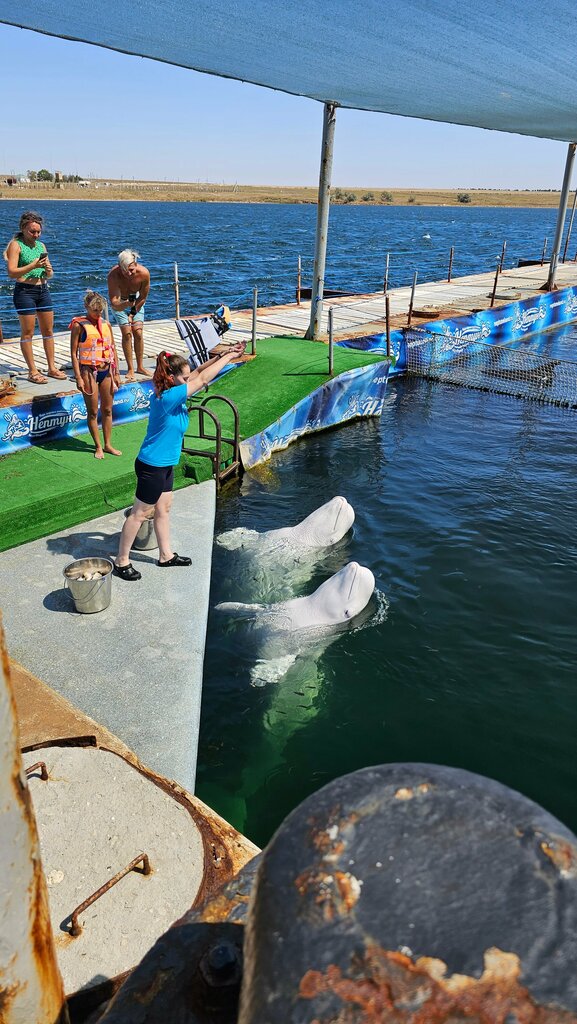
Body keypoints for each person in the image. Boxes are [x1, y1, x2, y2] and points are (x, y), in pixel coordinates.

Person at [114, 342, 246, 581]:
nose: (188, 380)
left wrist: (225, 353)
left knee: (163, 509)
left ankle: (166, 555)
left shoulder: (173, 389)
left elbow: (198, 372)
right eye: (184, 378)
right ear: (171, 378)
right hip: (152, 466)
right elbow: (202, 378)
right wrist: (231, 358)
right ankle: (121, 561)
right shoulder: (169, 397)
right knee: (139, 514)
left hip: (165, 465)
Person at [4, 211, 66, 384]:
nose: (36, 235)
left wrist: (48, 270)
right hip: (25, 291)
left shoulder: (41, 246)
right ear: (23, 228)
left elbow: (49, 273)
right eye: (32, 231)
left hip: (43, 290)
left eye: (38, 232)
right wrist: (33, 265)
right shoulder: (16, 245)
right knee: (28, 332)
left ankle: (52, 367)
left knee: (48, 331)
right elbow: (12, 272)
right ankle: (32, 371)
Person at [70, 291, 122, 459]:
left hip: (106, 370)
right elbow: (74, 353)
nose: (98, 314)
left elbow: (113, 349)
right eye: (95, 311)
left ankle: (108, 444)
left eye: (100, 311)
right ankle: (98, 446)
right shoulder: (79, 326)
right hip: (88, 372)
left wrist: (116, 373)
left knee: (107, 409)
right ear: (86, 307)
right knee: (92, 411)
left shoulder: (107, 325)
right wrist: (78, 377)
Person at [107, 248, 151, 382]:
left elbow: (143, 297)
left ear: (135, 264)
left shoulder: (144, 274)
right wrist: (126, 304)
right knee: (127, 333)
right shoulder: (113, 276)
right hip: (120, 302)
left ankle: (140, 366)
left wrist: (132, 313)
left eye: (131, 270)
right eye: (125, 270)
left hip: (136, 302)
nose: (129, 273)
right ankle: (130, 368)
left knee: (138, 332)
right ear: (120, 267)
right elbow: (114, 303)